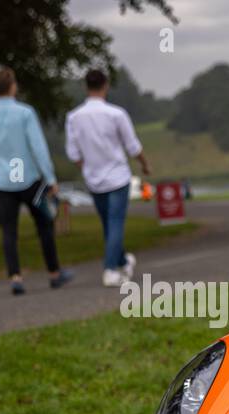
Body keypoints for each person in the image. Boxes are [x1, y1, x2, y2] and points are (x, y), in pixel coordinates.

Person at [0, 66, 73, 295]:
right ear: (13, 86)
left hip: (3, 180)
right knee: (45, 226)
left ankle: (15, 277)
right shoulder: (25, 113)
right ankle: (54, 273)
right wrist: (50, 177)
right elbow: (38, 147)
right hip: (29, 178)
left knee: (9, 231)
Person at [64, 68, 152, 287]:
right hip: (117, 176)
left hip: (94, 178)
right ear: (106, 85)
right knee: (114, 223)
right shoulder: (116, 114)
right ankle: (110, 269)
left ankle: (122, 260)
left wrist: (87, 166)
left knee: (108, 223)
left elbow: (73, 153)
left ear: (86, 87)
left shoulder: (74, 117)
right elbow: (132, 146)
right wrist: (144, 164)